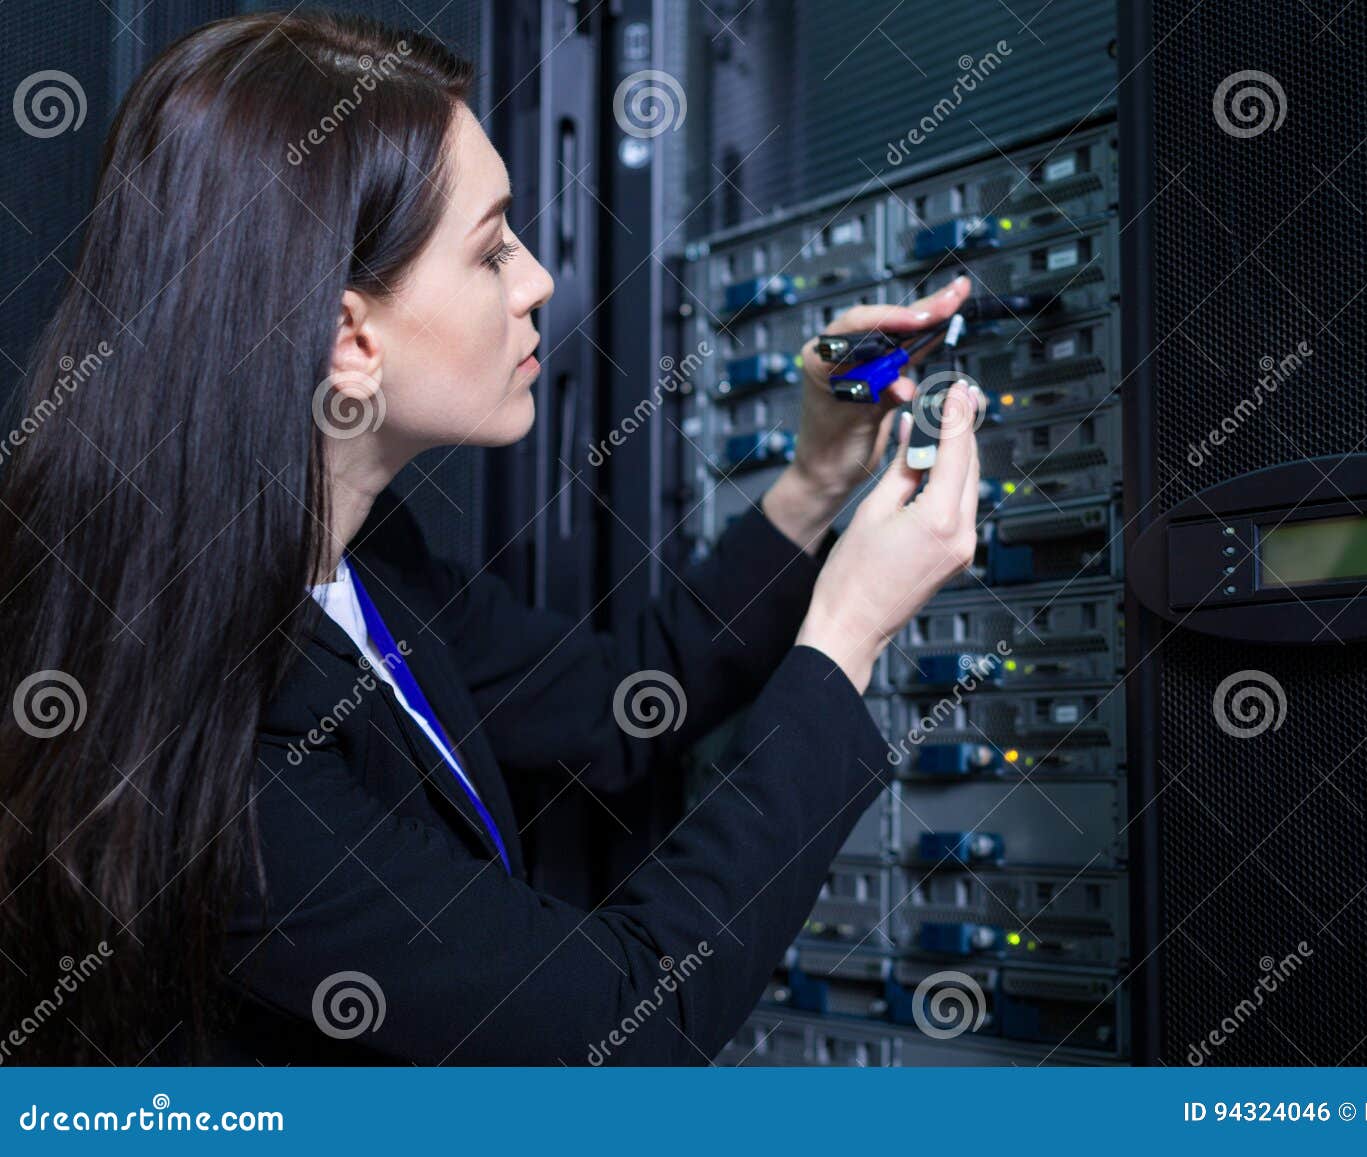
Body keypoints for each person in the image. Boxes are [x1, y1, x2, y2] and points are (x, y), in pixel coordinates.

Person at [0, 10, 980, 1065]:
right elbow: (626, 1029)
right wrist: (846, 633)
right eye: (491, 249)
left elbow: (622, 699)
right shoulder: (222, 760)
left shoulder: (363, 558)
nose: (536, 282)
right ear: (350, 337)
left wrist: (817, 478)